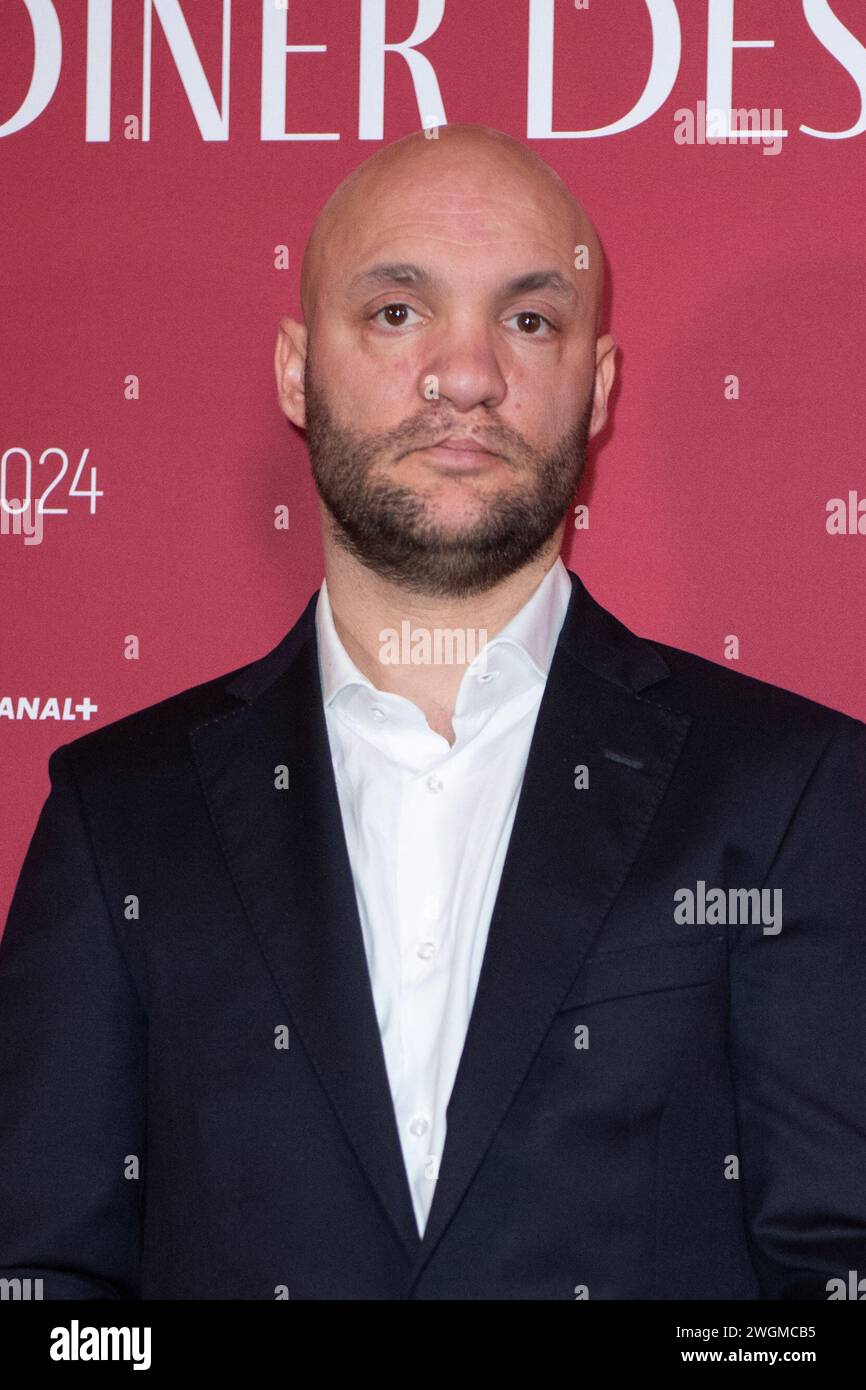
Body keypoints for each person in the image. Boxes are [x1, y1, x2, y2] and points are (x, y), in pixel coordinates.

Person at [1, 123, 864, 1301]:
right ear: (296, 370)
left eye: (527, 319)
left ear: (596, 385)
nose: (465, 377)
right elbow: (45, 1287)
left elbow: (834, 1273)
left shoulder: (790, 790)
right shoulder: (119, 815)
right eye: (398, 311)